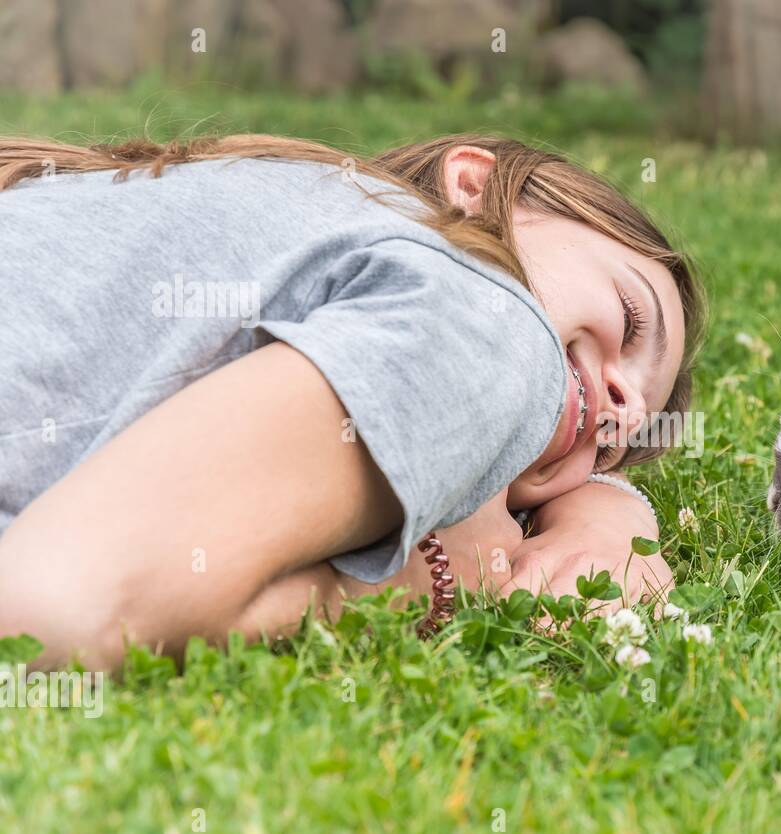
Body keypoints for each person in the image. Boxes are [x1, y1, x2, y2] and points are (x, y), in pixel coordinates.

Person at [0, 133, 705, 670]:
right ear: (478, 186)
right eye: (633, 320)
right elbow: (49, 614)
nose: (627, 405)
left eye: (613, 439)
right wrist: (415, 580)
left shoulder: (307, 215)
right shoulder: (496, 323)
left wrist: (606, 511)